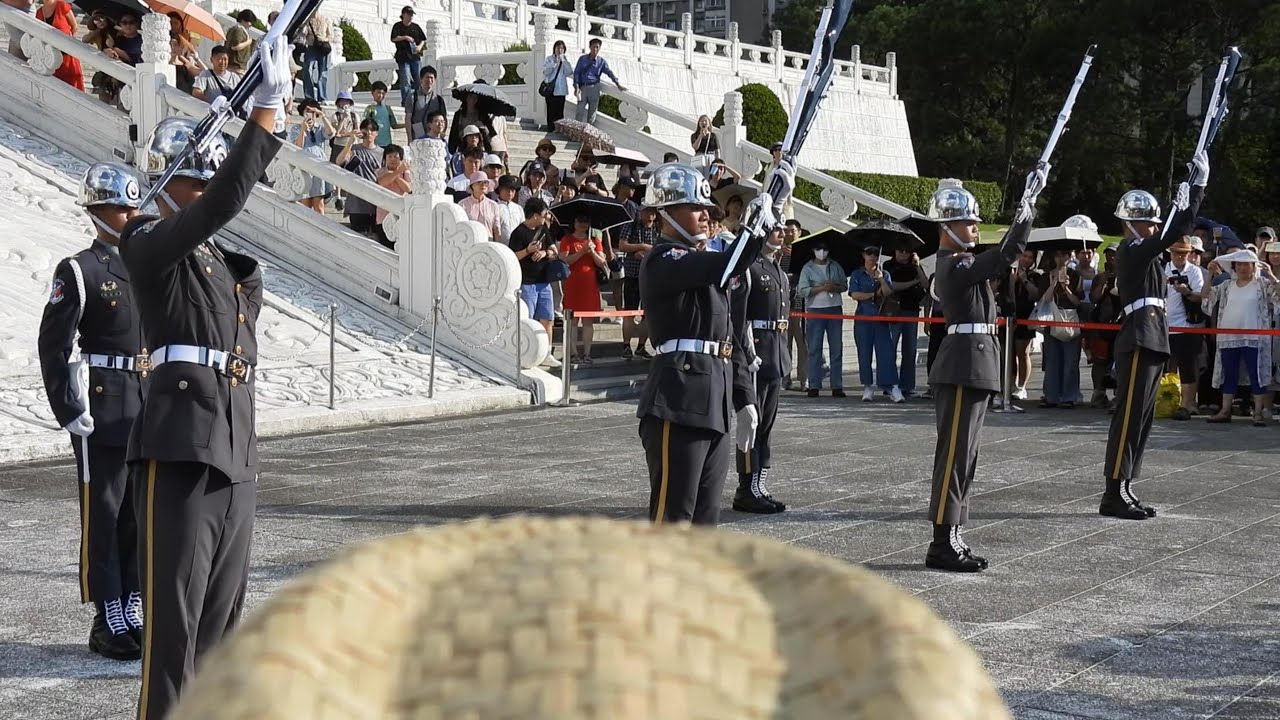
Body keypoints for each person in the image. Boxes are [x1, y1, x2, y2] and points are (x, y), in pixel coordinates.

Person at [117, 36, 291, 720]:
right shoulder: (145, 245)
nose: (208, 186)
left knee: (220, 641)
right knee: (173, 646)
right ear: (171, 180)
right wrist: (264, 116)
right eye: (200, 178)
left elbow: (242, 297)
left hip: (232, 454)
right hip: (179, 450)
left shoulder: (220, 266)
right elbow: (220, 205)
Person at [636, 160, 792, 525]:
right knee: (674, 521)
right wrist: (761, 212)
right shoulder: (664, 259)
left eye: (708, 209)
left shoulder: (704, 262)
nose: (706, 216)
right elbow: (727, 265)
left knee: (706, 523)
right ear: (665, 212)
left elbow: (730, 338)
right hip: (679, 398)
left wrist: (743, 397)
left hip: (714, 401)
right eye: (695, 207)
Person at [38, 162, 147, 661]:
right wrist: (67, 406)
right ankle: (107, 613)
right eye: (120, 207)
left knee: (137, 512)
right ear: (99, 211)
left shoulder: (143, 264)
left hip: (144, 401)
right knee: (103, 512)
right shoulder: (79, 269)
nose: (129, 214)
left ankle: (132, 600)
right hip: (101, 401)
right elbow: (53, 345)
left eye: (131, 206)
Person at [926, 178, 1035, 572]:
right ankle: (941, 541)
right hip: (960, 367)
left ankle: (954, 533)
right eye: (967, 221)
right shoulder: (955, 264)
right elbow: (1006, 254)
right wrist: (1025, 210)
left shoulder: (965, 264)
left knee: (966, 458)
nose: (974, 226)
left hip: (976, 365)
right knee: (953, 457)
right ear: (946, 227)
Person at [1101, 151, 1209, 521]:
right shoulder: (1129, 248)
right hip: (1138, 335)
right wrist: (1197, 188)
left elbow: (1172, 233)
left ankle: (1126, 485)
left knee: (1143, 418)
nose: (1153, 227)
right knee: (1129, 415)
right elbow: (1177, 232)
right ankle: (1113, 491)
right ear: (1133, 224)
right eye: (1149, 222)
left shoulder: (1146, 252)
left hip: (1152, 333)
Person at [733, 230, 790, 514]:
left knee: (766, 427)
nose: (781, 234)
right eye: (774, 229)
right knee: (751, 425)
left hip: (776, 352)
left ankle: (759, 484)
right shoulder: (750, 268)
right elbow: (739, 317)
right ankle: (746, 488)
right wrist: (747, 353)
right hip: (757, 353)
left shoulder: (778, 268)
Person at [1203, 249, 1278, 426]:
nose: (1243, 267)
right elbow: (1206, 297)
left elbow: (1278, 295)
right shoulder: (1227, 285)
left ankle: (1258, 412)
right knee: (1229, 373)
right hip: (1229, 336)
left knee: (1256, 373)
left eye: (1247, 264)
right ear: (1234, 267)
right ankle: (1225, 410)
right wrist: (1210, 275)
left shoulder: (1262, 284)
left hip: (1254, 337)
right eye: (1239, 264)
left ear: (1253, 266)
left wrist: (1272, 275)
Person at [796, 239, 847, 397]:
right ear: (813, 250)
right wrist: (820, 288)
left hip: (834, 308)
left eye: (825, 248)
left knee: (836, 348)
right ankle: (814, 384)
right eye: (819, 248)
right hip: (815, 309)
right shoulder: (807, 268)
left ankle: (837, 385)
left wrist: (834, 287)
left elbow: (844, 285)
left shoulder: (835, 266)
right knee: (814, 348)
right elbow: (802, 290)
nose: (822, 252)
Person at [1164, 237, 1206, 419]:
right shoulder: (1163, 270)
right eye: (1176, 253)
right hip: (1167, 324)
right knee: (1168, 365)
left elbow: (1200, 297)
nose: (1179, 257)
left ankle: (1188, 403)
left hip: (1189, 325)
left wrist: (1186, 291)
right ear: (1170, 253)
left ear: (1189, 254)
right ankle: (1168, 400)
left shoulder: (1195, 272)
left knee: (1189, 365)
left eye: (1183, 253)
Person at [848, 246, 890, 401]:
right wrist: (872, 294)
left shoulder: (884, 273)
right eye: (869, 253)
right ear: (863, 255)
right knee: (864, 353)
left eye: (875, 253)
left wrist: (880, 279)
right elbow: (855, 294)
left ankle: (889, 385)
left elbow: (888, 292)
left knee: (885, 353)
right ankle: (867, 386)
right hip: (863, 318)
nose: (873, 256)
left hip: (881, 318)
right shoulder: (857, 274)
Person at [572, 38, 626, 124]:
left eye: (597, 47)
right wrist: (576, 87)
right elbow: (576, 73)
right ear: (590, 47)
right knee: (580, 110)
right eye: (593, 47)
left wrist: (617, 84)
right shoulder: (582, 59)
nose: (595, 49)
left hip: (594, 88)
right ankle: (576, 130)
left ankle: (588, 133)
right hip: (583, 88)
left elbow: (609, 72)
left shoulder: (601, 62)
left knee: (592, 112)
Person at [37, 0, 83, 90]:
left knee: (71, 83)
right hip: (50, 55)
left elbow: (74, 27)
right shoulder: (39, 12)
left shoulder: (62, 5)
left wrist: (67, 43)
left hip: (67, 54)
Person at [390, 5, 426, 107]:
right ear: (403, 15)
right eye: (408, 14)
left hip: (415, 57)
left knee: (419, 79)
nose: (410, 17)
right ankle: (406, 102)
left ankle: (420, 99)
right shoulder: (398, 26)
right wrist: (405, 37)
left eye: (411, 15)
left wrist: (419, 47)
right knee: (405, 80)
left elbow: (423, 39)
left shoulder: (415, 27)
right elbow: (393, 38)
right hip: (402, 57)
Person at [404, 65, 445, 143]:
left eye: (431, 78)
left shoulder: (438, 99)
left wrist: (441, 134)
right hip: (417, 135)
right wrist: (409, 138)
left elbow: (444, 119)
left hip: (434, 137)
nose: (429, 80)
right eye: (427, 77)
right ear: (421, 79)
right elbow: (408, 118)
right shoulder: (413, 97)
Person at [542, 40, 572, 130]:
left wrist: (564, 62)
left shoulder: (565, 60)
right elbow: (545, 72)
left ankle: (559, 130)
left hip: (561, 90)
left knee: (560, 112)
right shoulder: (549, 59)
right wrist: (554, 64)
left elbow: (569, 72)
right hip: (551, 90)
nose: (560, 50)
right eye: (558, 47)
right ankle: (551, 128)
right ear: (554, 49)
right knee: (550, 111)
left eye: (562, 48)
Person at [225, 9, 257, 73]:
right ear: (243, 20)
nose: (251, 24)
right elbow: (235, 47)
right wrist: (248, 42)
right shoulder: (238, 29)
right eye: (250, 21)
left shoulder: (237, 29)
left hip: (236, 67)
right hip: (236, 67)